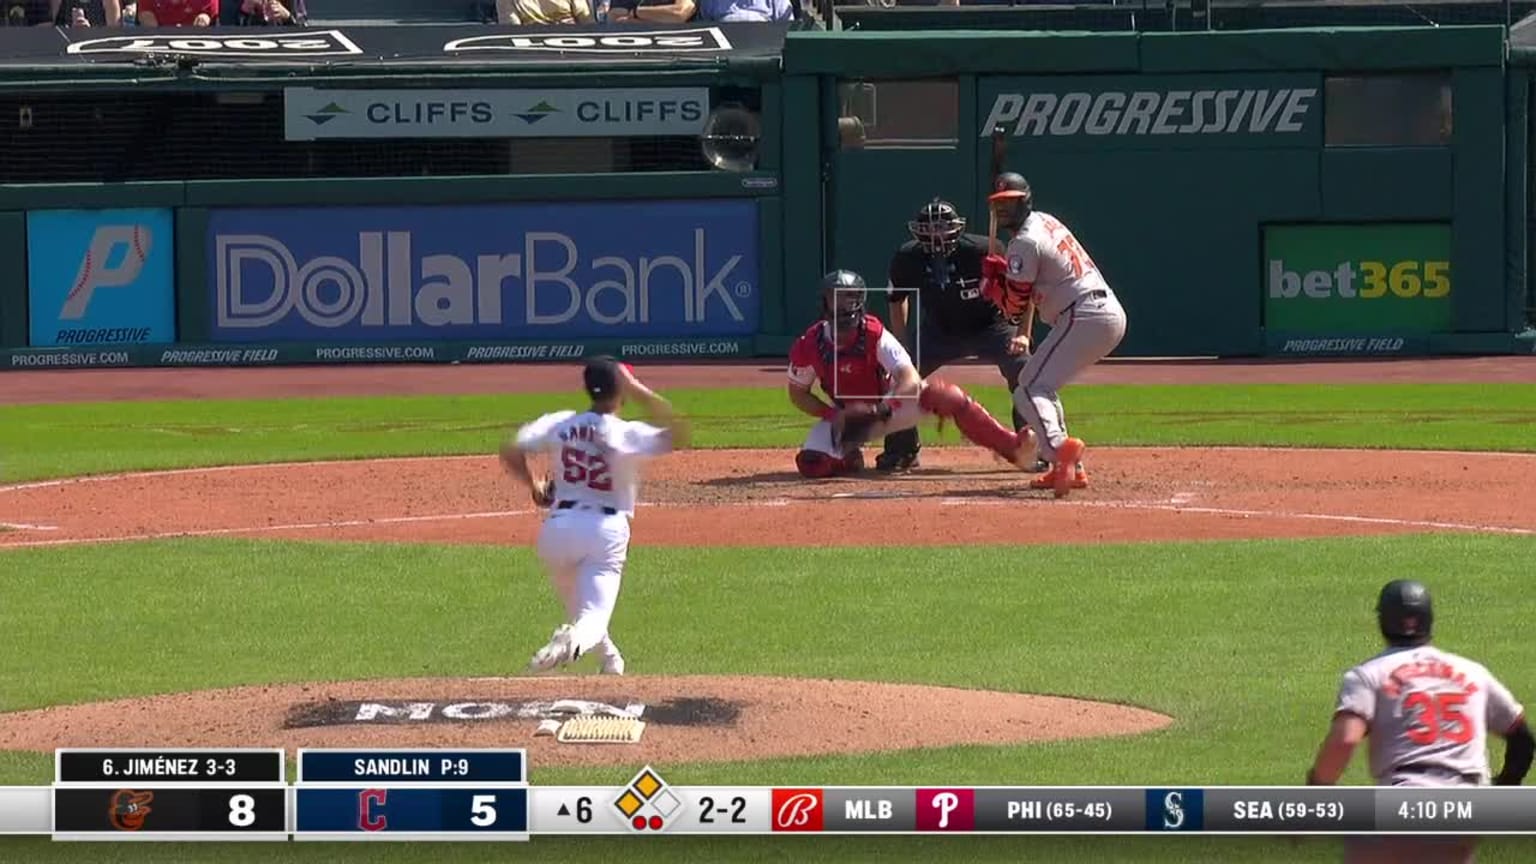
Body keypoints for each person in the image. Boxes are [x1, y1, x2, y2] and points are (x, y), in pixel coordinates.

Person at [1306, 580, 1532, 863]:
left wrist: (1316, 791)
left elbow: (1346, 739)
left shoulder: (1368, 675)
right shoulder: (1473, 672)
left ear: (1383, 621)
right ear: (1429, 619)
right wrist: (1504, 789)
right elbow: (1522, 738)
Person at [499, 356, 686, 676]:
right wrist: (638, 389)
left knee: (583, 612)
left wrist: (535, 483)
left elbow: (511, 449)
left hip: (557, 532)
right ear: (620, 392)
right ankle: (569, 643)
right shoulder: (624, 433)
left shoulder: (561, 423)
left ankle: (612, 662)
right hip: (605, 532)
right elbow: (678, 431)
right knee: (593, 619)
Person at [786, 269, 1034, 479]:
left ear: (860, 301)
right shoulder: (810, 343)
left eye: (850, 299)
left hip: (888, 411)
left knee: (945, 395)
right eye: (836, 299)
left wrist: (882, 409)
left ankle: (1012, 447)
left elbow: (909, 378)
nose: (843, 306)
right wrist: (834, 414)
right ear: (825, 302)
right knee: (812, 464)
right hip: (846, 418)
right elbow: (798, 393)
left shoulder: (874, 333)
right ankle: (847, 457)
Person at [981, 172, 1127, 499]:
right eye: (998, 205)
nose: (1003, 211)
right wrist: (1003, 274)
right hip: (1098, 310)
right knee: (1040, 385)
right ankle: (1067, 467)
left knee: (1028, 389)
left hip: (1084, 314)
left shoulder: (1023, 242)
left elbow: (1015, 308)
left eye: (1010, 203)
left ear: (1025, 201)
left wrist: (992, 287)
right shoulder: (1045, 221)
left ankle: (1060, 452)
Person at [878, 198, 1037, 474]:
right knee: (897, 375)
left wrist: (1023, 334)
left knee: (1025, 370)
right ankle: (902, 449)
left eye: (942, 227)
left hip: (991, 326)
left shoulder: (982, 250)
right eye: (930, 228)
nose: (936, 235)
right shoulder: (907, 258)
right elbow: (896, 299)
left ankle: (1034, 444)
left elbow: (1025, 291)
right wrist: (901, 343)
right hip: (940, 330)